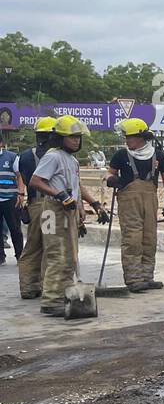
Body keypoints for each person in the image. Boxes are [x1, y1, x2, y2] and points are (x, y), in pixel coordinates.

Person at [27, 115, 109, 316]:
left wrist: (94, 204)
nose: (76, 141)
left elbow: (76, 188)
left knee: (70, 258)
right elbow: (35, 181)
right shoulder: (52, 156)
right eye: (72, 137)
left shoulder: (71, 160)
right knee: (58, 256)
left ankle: (62, 296)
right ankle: (51, 301)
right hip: (53, 209)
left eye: (78, 137)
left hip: (67, 211)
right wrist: (59, 194)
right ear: (60, 138)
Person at [105, 118, 164, 292]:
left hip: (150, 200)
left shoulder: (158, 155)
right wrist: (111, 179)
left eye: (130, 137)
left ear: (142, 137)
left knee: (149, 238)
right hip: (129, 202)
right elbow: (108, 174)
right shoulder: (121, 155)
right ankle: (133, 278)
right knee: (132, 239)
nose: (127, 141)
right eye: (126, 138)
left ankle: (147, 276)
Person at [17, 117, 56, 299]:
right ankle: (49, 286)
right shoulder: (57, 155)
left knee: (32, 246)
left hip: (34, 206)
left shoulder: (24, 156)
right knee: (51, 246)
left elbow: (24, 179)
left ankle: (28, 287)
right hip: (51, 208)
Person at [0, 130, 25, 265]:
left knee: (15, 228)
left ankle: (20, 255)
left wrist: (21, 193)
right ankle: (0, 257)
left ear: (1, 144)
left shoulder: (12, 157)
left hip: (10, 198)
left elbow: (20, 176)